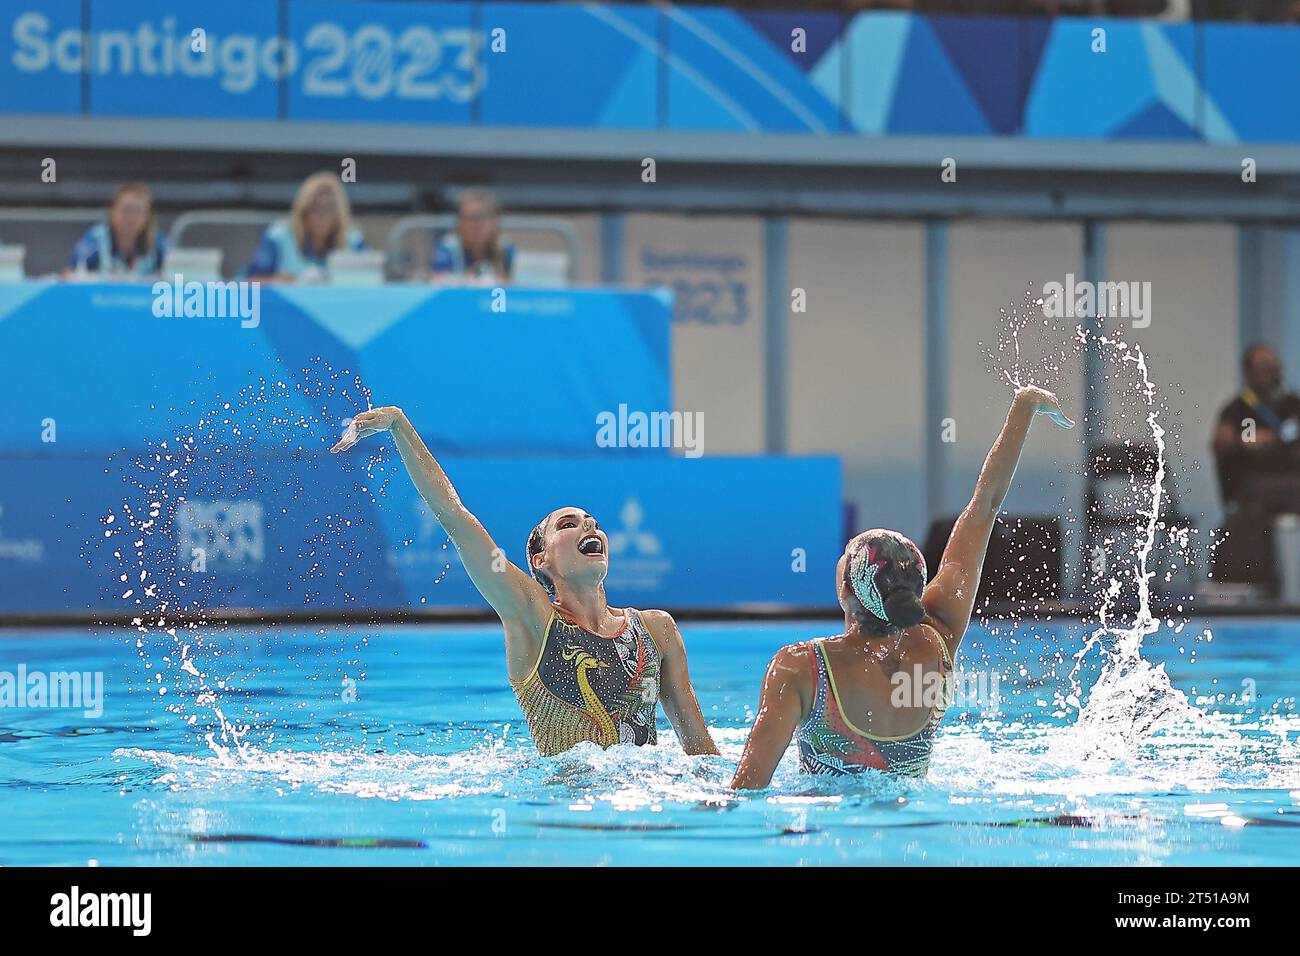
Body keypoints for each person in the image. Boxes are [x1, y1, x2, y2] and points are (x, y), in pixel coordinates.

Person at [730, 386, 1074, 788]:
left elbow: (746, 791)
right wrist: (1024, 408)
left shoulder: (800, 668)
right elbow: (984, 507)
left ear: (845, 590)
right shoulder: (939, 638)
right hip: (915, 828)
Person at [330, 406, 719, 758]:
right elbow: (453, 515)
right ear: (540, 560)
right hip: (567, 812)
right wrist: (400, 425)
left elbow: (700, 751)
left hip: (644, 809)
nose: (590, 527)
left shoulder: (657, 630)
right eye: (569, 525)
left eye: (594, 524)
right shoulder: (533, 620)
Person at [1210, 343, 1300, 590]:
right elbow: (1219, 442)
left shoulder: (1291, 404)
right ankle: (1261, 580)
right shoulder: (1238, 409)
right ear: (1248, 372)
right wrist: (1248, 441)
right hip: (1251, 487)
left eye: (1274, 367)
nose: (1271, 372)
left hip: (1290, 481)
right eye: (1264, 367)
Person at [242, 172, 365, 282]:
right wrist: (279, 281)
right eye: (316, 208)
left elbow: (372, 280)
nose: (322, 217)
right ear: (304, 211)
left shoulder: (352, 240)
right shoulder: (279, 238)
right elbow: (250, 282)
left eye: (329, 209)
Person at [63, 183, 169, 278]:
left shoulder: (158, 242)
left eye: (138, 211)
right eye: (126, 210)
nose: (131, 218)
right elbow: (69, 274)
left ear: (148, 217)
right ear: (112, 212)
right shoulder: (96, 240)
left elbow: (177, 276)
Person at [431, 189, 514, 283]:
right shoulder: (449, 247)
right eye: (470, 218)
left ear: (495, 220)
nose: (476, 225)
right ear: (460, 222)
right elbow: (436, 281)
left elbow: (519, 281)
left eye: (482, 217)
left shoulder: (505, 247)